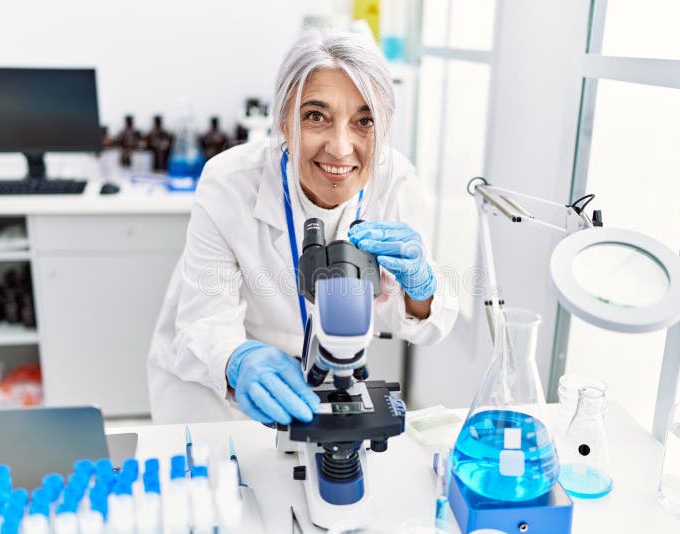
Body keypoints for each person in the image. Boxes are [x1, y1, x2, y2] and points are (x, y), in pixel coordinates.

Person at [147, 28, 458, 424]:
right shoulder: (229, 182)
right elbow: (203, 321)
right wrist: (238, 361)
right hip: (221, 380)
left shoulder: (395, 182)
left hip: (334, 373)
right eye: (316, 116)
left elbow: (424, 326)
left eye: (365, 121)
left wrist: (420, 287)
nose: (341, 148)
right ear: (283, 122)